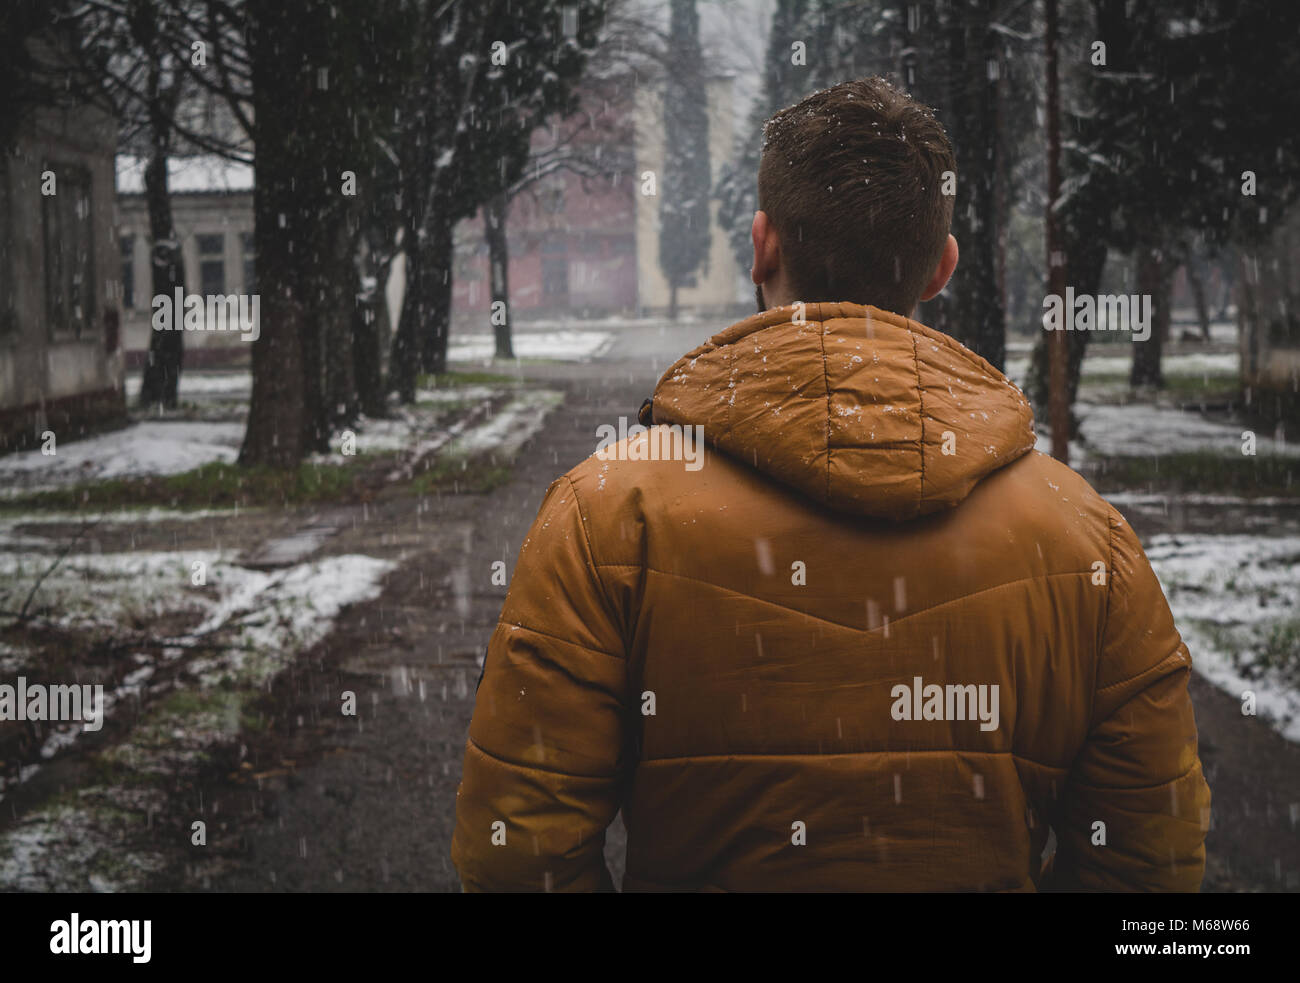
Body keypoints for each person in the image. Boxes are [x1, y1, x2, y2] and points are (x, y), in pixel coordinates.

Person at [450, 76, 1211, 892]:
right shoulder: (1087, 540)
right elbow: (1149, 864)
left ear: (762, 245)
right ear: (940, 269)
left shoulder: (605, 517)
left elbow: (521, 852)